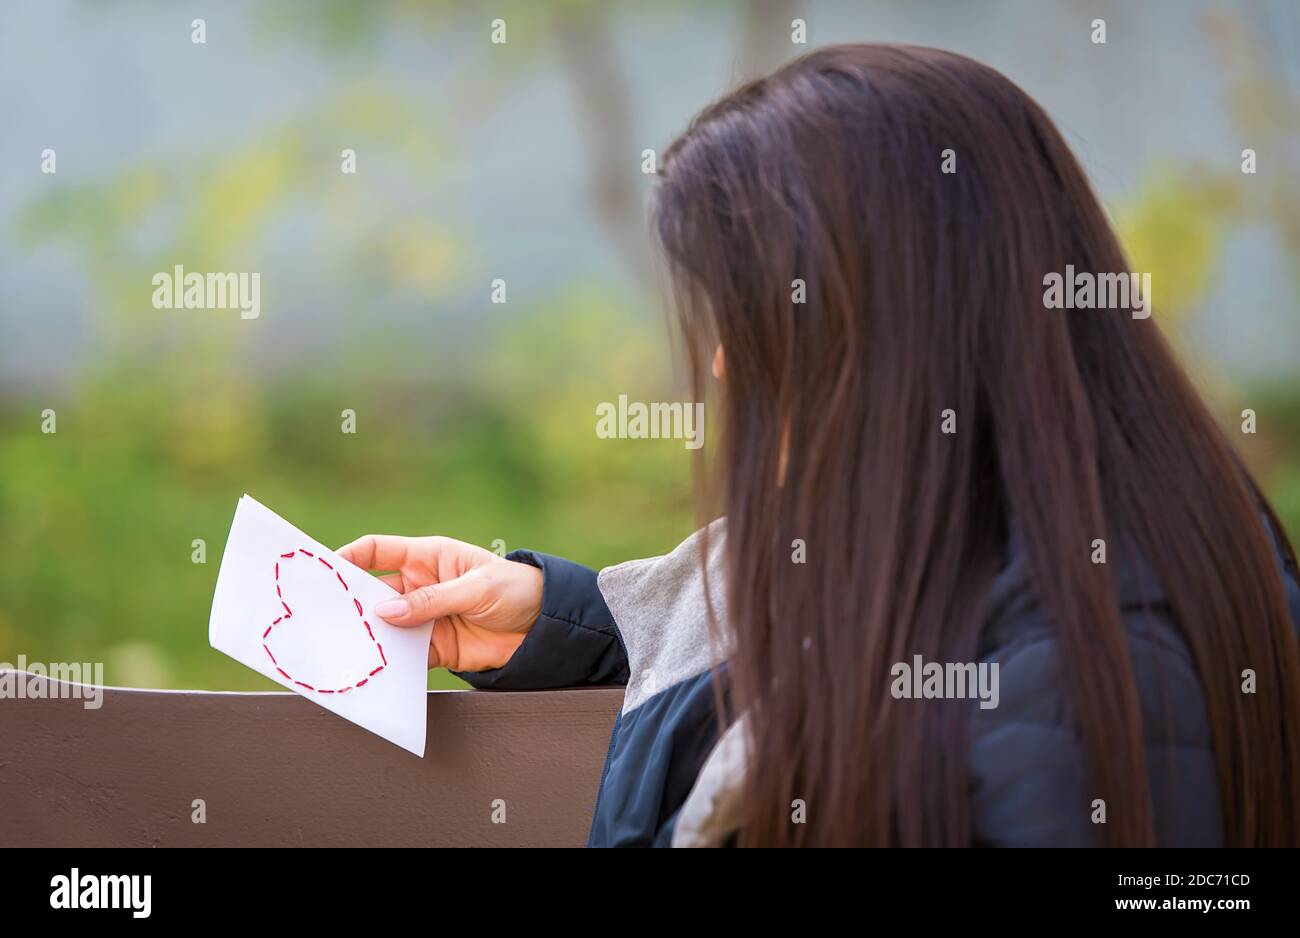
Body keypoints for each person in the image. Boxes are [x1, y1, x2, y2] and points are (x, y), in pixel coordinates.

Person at [340, 44, 1300, 847]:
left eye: (750, 320)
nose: (721, 365)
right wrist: (562, 619)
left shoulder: (1090, 665)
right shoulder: (1020, 551)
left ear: (878, 328)